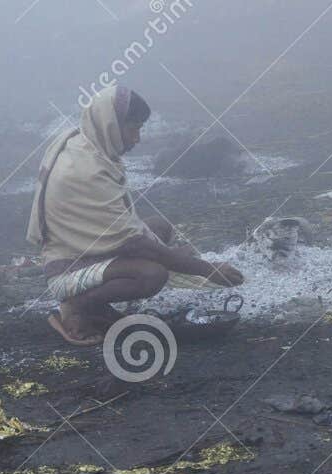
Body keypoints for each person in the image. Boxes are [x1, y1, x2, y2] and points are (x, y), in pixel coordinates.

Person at [27, 84, 243, 346]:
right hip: (68, 265)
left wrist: (176, 258)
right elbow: (133, 243)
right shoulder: (84, 172)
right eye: (133, 128)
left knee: (160, 228)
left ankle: (96, 304)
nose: (136, 138)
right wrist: (206, 269)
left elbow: (125, 230)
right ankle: (78, 305)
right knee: (152, 275)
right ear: (111, 124)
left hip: (86, 246)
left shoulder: (85, 144)